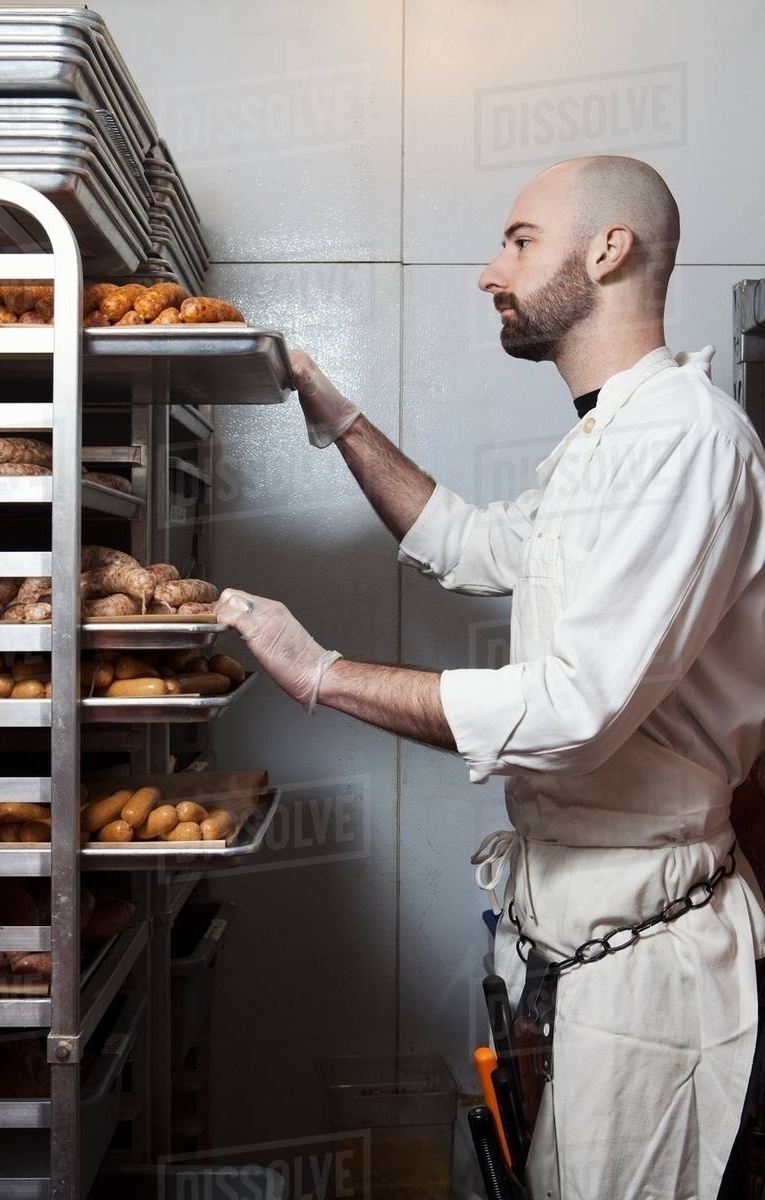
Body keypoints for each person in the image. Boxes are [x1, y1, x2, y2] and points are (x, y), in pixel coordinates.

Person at [214, 154, 765, 1200]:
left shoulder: (685, 442)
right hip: (567, 934)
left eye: (518, 241)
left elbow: (572, 712)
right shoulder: (608, 442)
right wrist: (336, 414)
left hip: (646, 966)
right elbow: (465, 544)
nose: (489, 272)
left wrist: (321, 674)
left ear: (607, 251)